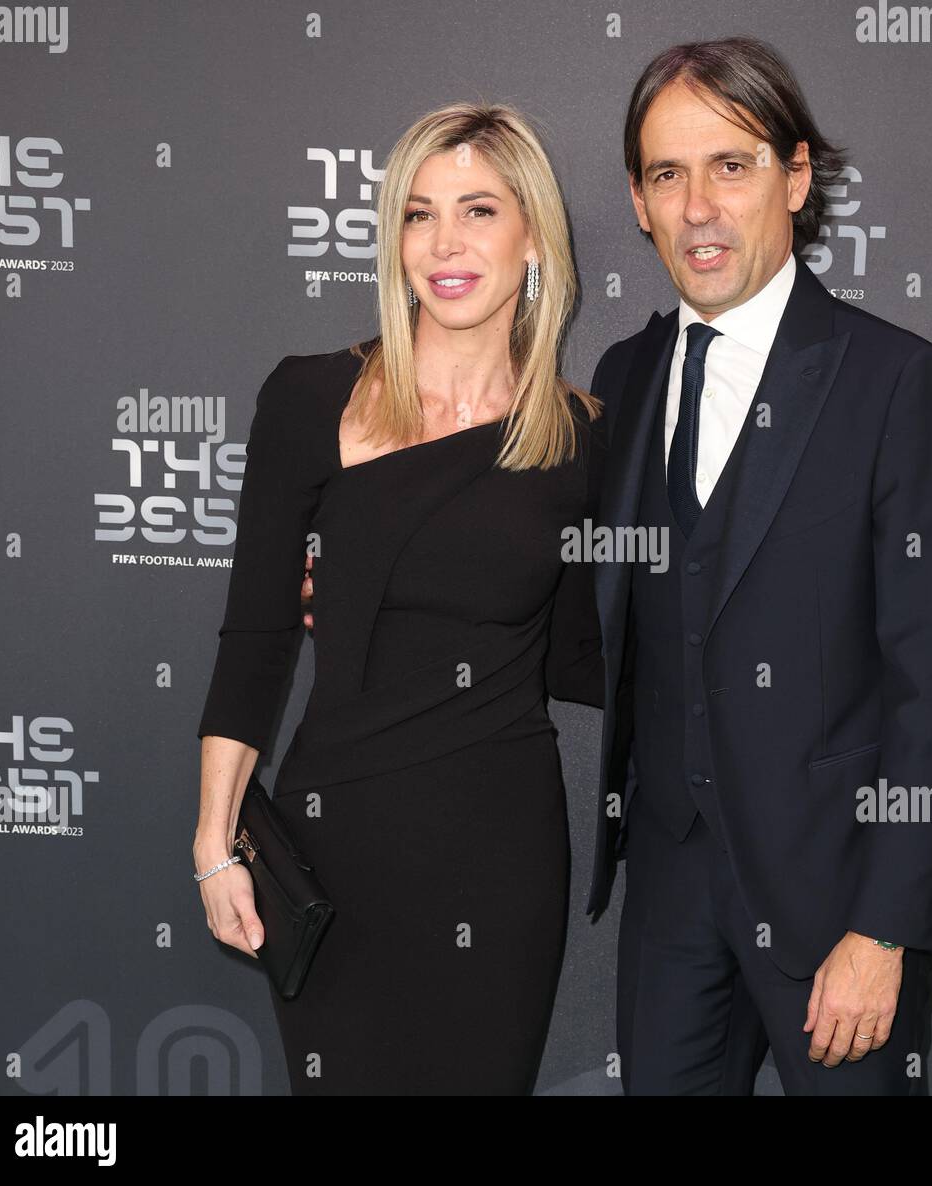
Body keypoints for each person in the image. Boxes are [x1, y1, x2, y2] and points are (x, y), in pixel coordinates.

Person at [583, 37, 932, 1095]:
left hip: (836, 904)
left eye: (733, 164)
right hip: (670, 892)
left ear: (795, 176)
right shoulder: (622, 379)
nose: (698, 207)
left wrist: (884, 929)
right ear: (636, 200)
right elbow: (591, 613)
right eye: (667, 174)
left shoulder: (900, 384)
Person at [192, 102, 605, 1095]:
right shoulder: (309, 400)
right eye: (419, 214)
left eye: (477, 210)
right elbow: (254, 637)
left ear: (534, 235)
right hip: (340, 841)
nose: (445, 244)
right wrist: (215, 839)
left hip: (500, 850)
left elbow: (594, 653)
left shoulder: (585, 439)